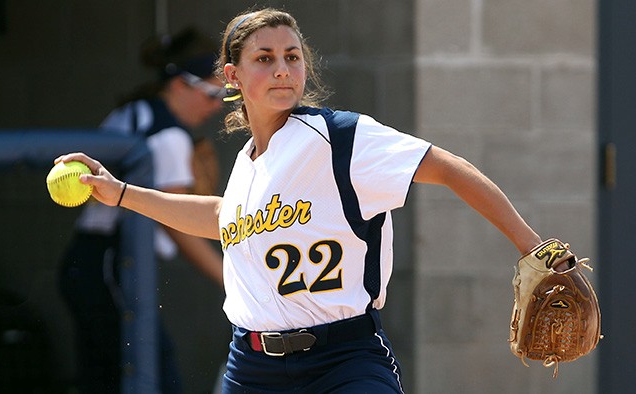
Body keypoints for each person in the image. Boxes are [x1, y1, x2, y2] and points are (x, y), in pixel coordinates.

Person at [56, 8, 546, 393]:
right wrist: (121, 193)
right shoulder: (250, 160)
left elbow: (450, 168)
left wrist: (534, 249)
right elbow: (226, 217)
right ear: (233, 76)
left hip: (343, 361)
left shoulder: (342, 137)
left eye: (292, 56)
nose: (283, 68)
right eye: (264, 58)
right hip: (251, 369)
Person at [57, 26, 225, 394]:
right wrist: (232, 278)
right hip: (110, 263)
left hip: (88, 262)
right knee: (158, 377)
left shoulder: (134, 110)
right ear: (180, 84)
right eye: (213, 93)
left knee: (106, 380)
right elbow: (179, 226)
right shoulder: (169, 135)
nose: (217, 106)